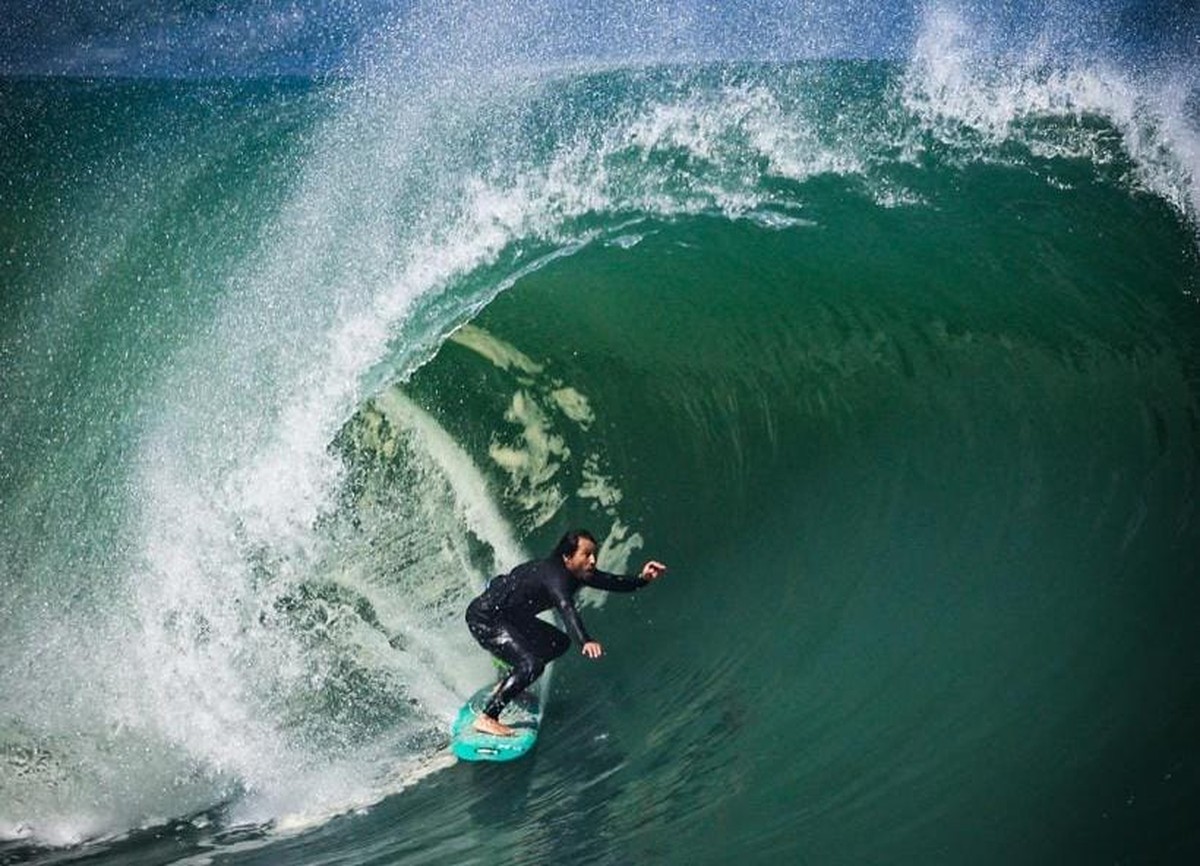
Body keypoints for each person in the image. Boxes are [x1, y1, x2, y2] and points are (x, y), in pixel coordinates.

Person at [465, 529, 668, 736]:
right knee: (531, 665)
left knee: (558, 642)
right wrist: (585, 640)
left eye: (594, 554)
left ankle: (509, 683)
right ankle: (488, 717)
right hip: (486, 619)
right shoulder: (555, 577)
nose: (593, 560)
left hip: (512, 619)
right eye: (586, 554)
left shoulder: (577, 573)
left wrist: (642, 579)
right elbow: (566, 607)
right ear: (567, 557)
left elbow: (612, 582)